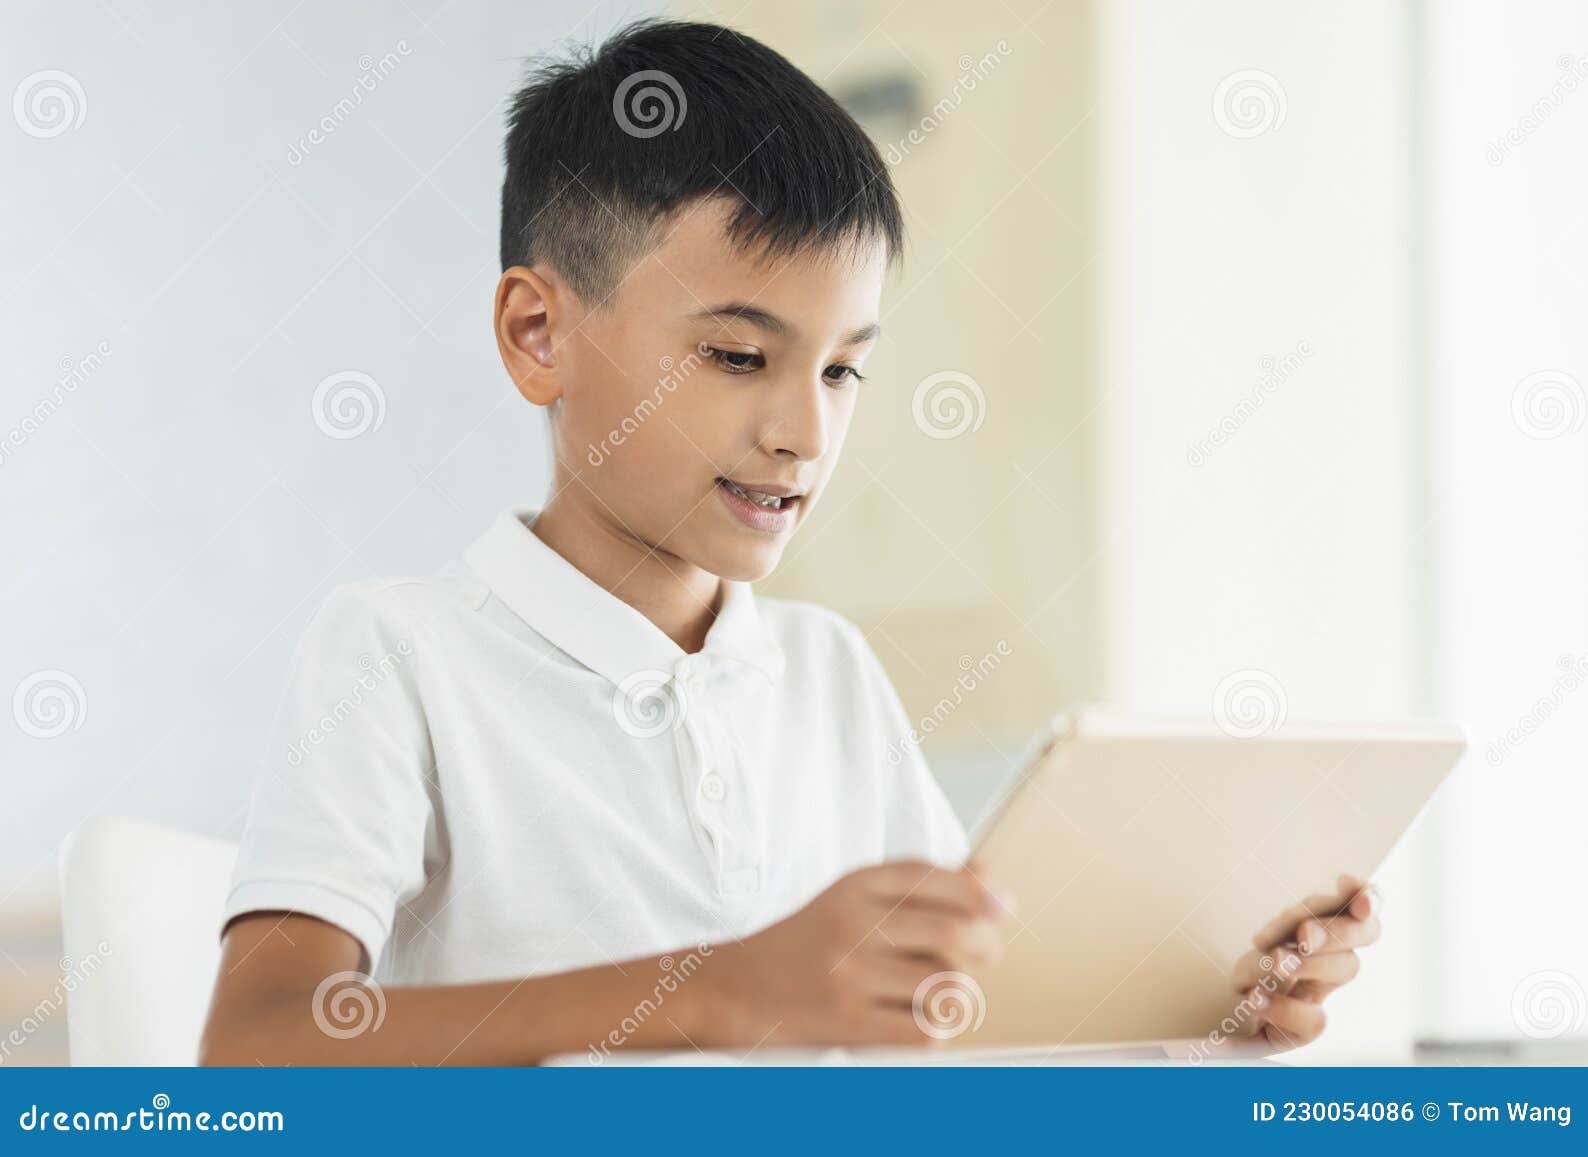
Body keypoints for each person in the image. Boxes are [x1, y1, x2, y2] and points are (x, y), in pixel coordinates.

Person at [199, 18, 1378, 1065]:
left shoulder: (830, 677)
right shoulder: (398, 654)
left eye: (844, 367)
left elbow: (952, 1046)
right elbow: (254, 1050)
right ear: (536, 332)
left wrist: (1199, 1019)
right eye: (736, 356)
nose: (804, 430)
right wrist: (719, 990)